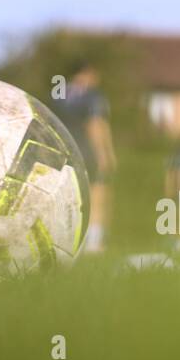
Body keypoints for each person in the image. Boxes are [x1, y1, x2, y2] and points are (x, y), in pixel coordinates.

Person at [56, 61, 116, 254]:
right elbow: (96, 124)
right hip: (87, 152)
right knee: (97, 195)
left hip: (63, 152)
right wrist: (105, 155)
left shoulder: (59, 95)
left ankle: (68, 241)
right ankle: (93, 243)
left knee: (69, 198)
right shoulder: (92, 96)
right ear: (88, 74)